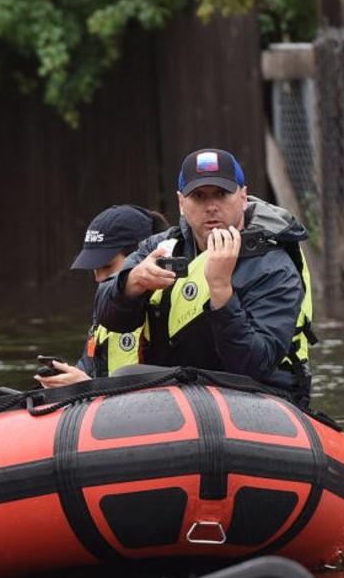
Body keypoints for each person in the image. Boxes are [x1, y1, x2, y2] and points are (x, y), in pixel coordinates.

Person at [94, 148, 316, 407]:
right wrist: (134, 282)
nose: (211, 207)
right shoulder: (159, 249)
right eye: (198, 196)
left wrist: (222, 291)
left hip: (257, 400)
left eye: (221, 194)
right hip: (177, 396)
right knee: (125, 378)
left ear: (243, 197)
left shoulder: (274, 266)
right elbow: (106, 314)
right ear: (181, 203)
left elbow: (255, 364)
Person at [36, 204, 169, 389]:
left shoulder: (169, 308)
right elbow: (90, 371)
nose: (98, 278)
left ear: (140, 258)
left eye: (107, 267)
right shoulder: (106, 310)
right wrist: (68, 380)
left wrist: (88, 388)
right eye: (94, 268)